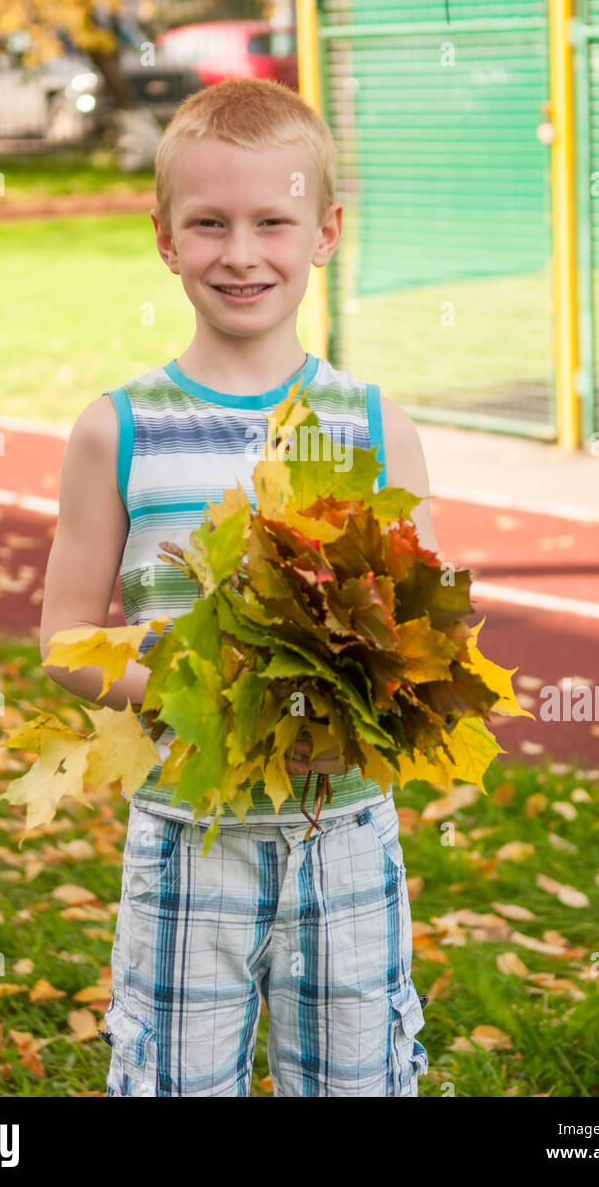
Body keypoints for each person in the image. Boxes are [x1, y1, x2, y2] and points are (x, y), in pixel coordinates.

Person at [39, 77, 436, 1097]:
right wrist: (205, 680)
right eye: (208, 223)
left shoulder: (375, 424)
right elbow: (66, 639)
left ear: (325, 231)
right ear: (165, 239)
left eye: (272, 221)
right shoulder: (116, 429)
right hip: (184, 839)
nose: (241, 252)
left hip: (341, 833)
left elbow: (418, 639)